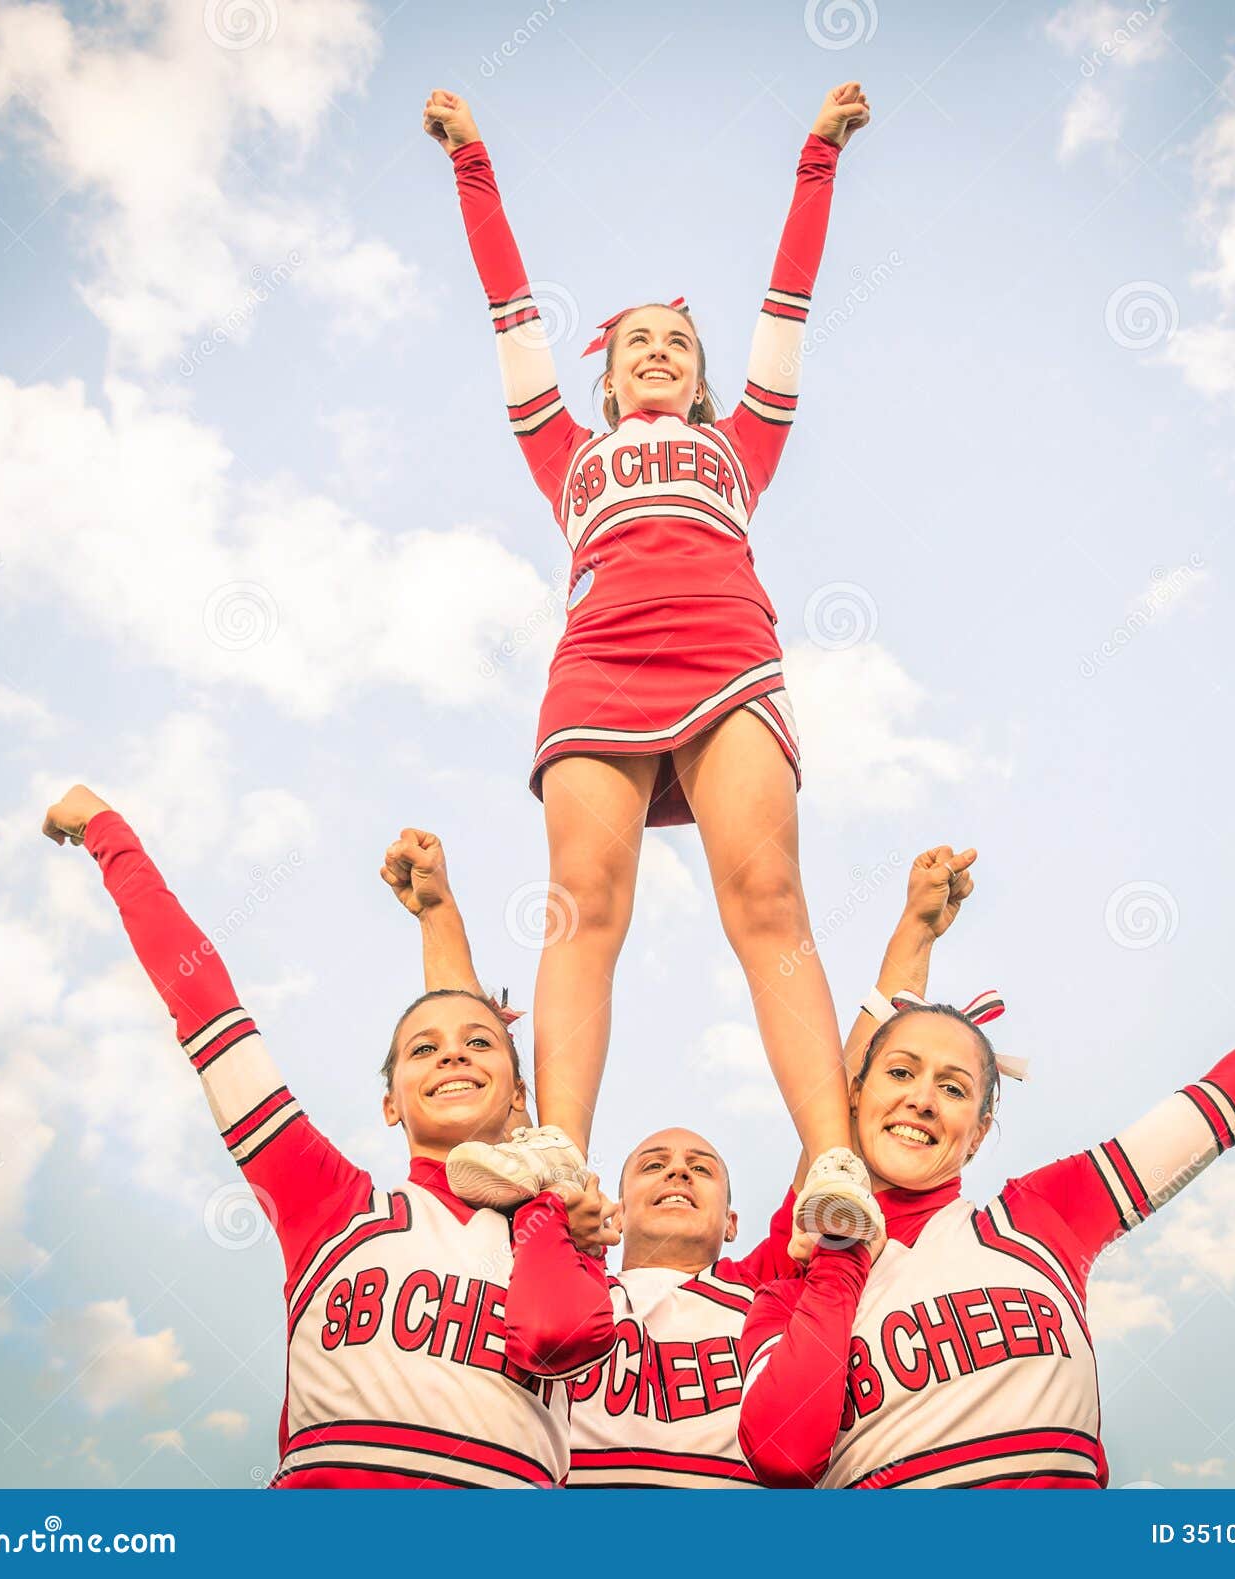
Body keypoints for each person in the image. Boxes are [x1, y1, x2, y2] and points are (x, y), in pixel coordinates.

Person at [423, 81, 881, 1245]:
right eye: (638, 344)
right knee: (583, 905)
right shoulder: (561, 451)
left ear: (703, 374)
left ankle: (832, 1162)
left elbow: (790, 297)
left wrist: (815, 155)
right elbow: (509, 307)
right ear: (610, 374)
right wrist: (473, 157)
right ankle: (559, 1148)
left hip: (728, 653)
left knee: (768, 898)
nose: (659, 353)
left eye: (678, 342)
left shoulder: (743, 444)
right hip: (598, 665)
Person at [41, 784, 618, 1489]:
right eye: (423, 1051)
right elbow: (204, 1004)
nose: (454, 1056)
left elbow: (499, 1109)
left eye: (478, 1045)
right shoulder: (330, 1204)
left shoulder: (553, 1228)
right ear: (389, 1102)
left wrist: (441, 916)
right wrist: (108, 831)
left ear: (521, 1094)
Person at [737, 881, 1235, 1489]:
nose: (922, 1099)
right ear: (854, 1099)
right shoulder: (791, 1282)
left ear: (979, 1128)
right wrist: (842, 1257)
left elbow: (1229, 1096)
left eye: (953, 1086)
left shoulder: (1041, 1216)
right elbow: (780, 1452)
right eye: (901, 1073)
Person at [379, 831, 976, 1486]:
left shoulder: (766, 1287)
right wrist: (438, 914)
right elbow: (486, 1100)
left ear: (732, 1220)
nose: (678, 1170)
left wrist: (914, 937)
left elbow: (839, 1112)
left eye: (702, 1165)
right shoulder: (559, 1280)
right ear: (613, 1202)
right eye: (654, 1162)